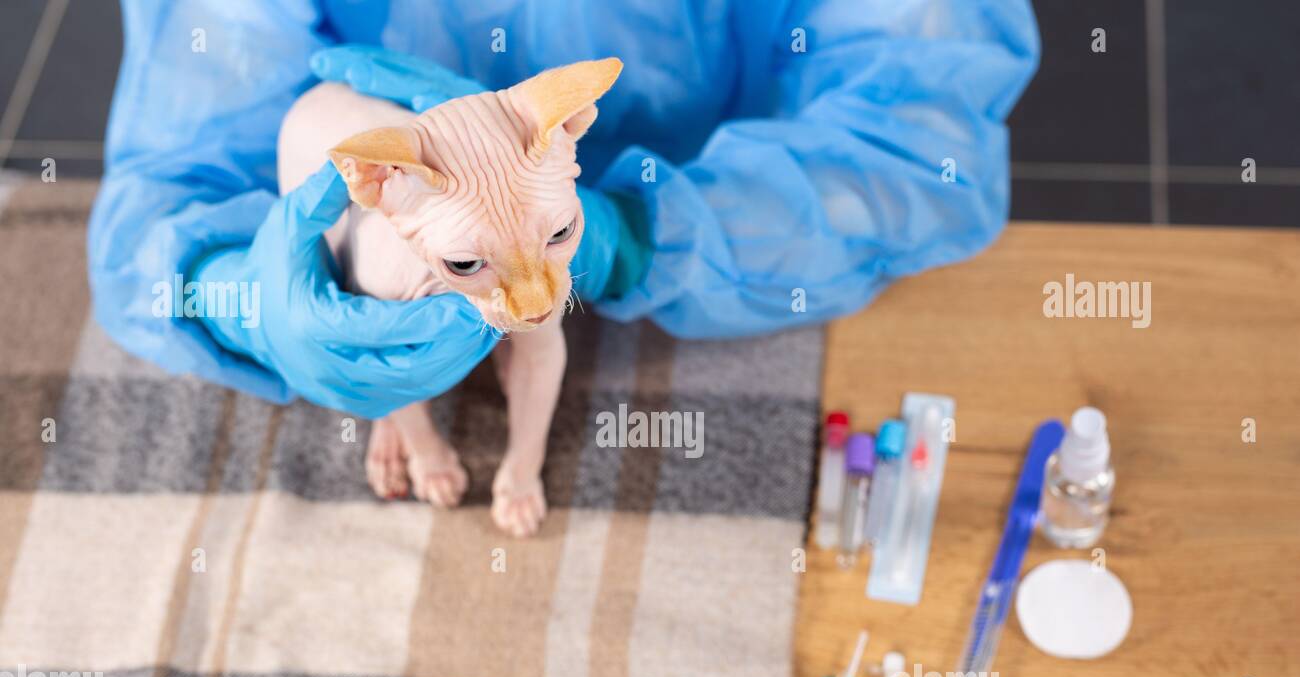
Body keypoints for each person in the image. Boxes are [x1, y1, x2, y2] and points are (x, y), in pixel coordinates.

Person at [88, 0, 1038, 419]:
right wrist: (240, 298)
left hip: (705, 267)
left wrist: (639, 232)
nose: (539, 298)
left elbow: (920, 144)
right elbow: (162, 197)